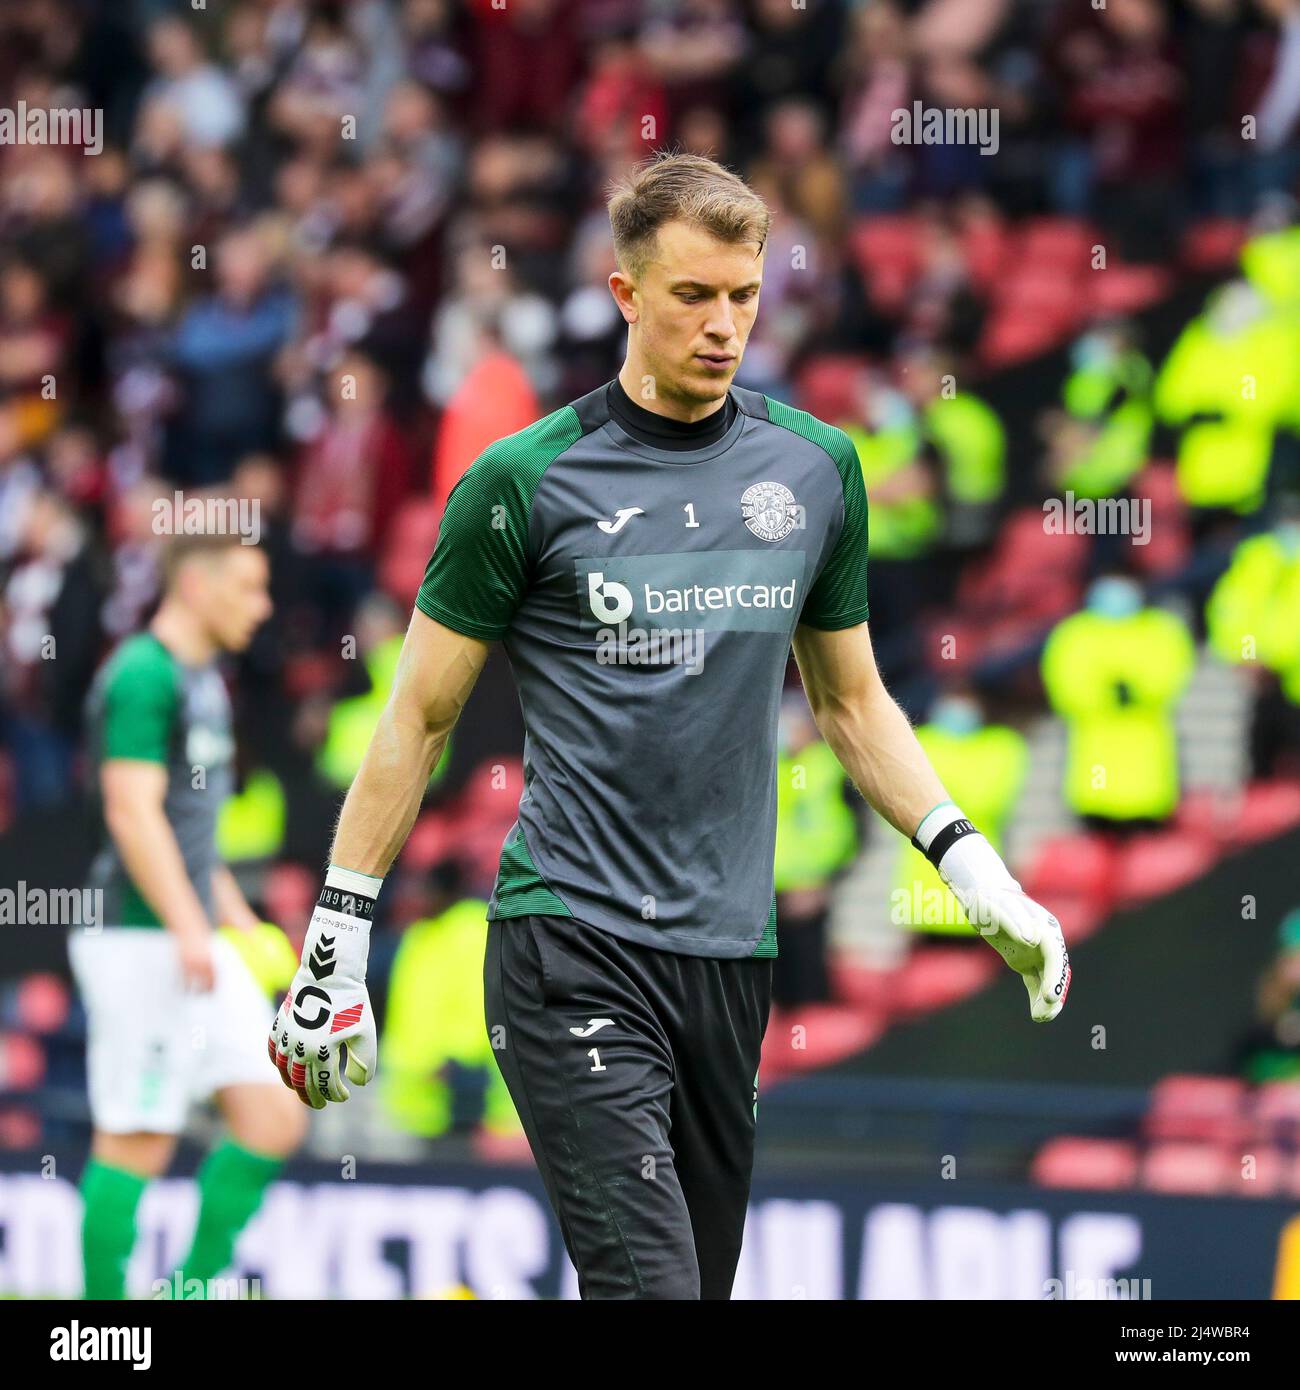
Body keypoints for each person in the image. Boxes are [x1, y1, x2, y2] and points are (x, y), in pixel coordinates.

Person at [269, 152, 1070, 1301]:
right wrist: (338, 934)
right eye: (693, 296)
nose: (723, 325)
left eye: (742, 296)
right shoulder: (523, 482)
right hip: (571, 944)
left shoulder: (814, 470)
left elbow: (850, 701)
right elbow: (418, 716)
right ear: (625, 294)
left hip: (730, 959)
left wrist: (971, 861)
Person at [72, 532, 306, 1299]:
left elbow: (185, 829)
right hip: (141, 938)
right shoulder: (142, 672)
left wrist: (232, 918)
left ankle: (187, 1292)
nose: (262, 606)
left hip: (190, 930)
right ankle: (104, 1327)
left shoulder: (203, 679)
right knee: (137, 1139)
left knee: (276, 1115)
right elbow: (132, 813)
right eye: (249, 587)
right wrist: (186, 925)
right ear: (197, 585)